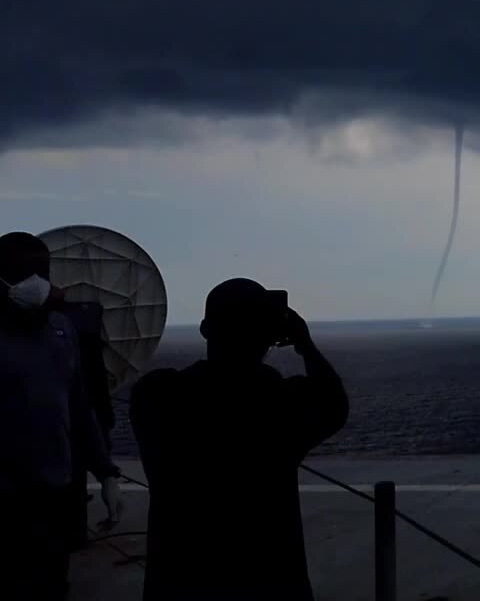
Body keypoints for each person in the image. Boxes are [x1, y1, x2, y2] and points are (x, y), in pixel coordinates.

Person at [131, 278, 349, 601]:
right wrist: (305, 344)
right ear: (271, 334)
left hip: (179, 580)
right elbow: (333, 406)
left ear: (205, 329)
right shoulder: (278, 403)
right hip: (269, 580)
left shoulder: (158, 394)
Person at [0, 231, 124, 601]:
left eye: (41, 271)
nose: (35, 281)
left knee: (51, 585)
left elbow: (78, 407)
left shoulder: (61, 331)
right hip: (4, 497)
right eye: (23, 272)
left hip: (52, 493)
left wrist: (106, 473)